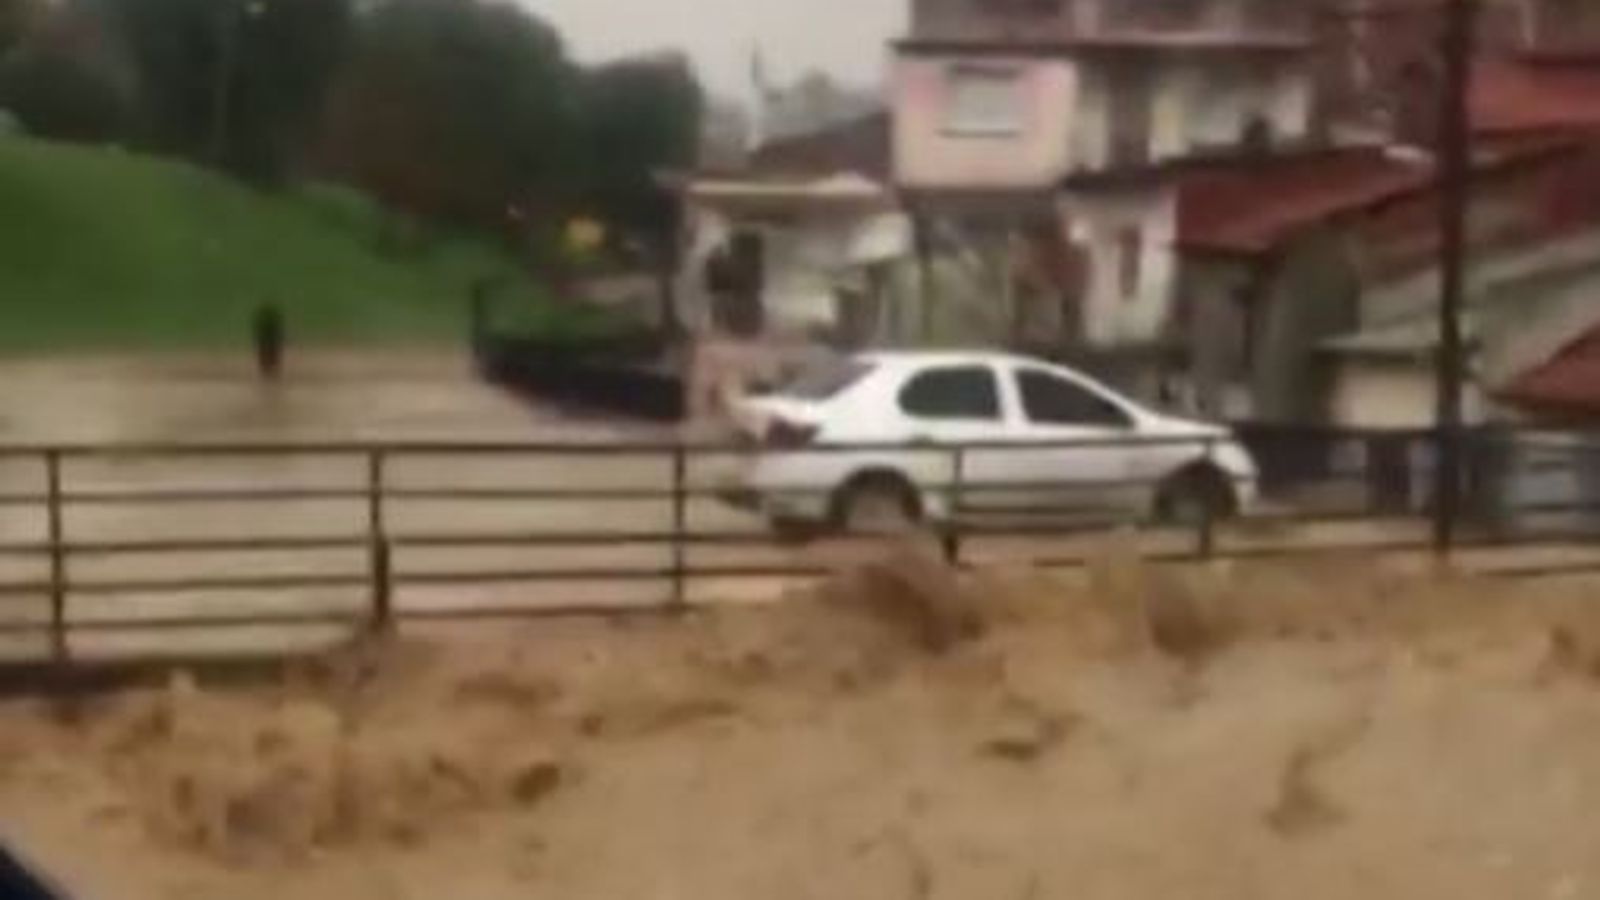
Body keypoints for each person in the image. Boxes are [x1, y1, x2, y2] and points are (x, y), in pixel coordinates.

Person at [252, 303, 285, 379]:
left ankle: (269, 366)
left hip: (269, 338)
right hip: (269, 338)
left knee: (270, 349)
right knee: (269, 349)